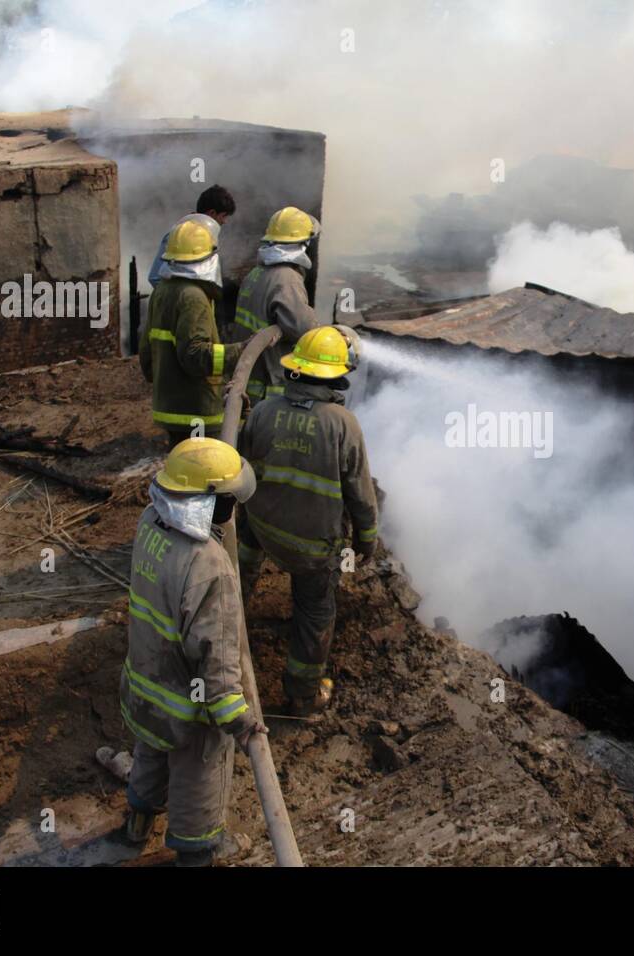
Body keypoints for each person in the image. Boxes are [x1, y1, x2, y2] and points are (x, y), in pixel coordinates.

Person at [120, 437, 266, 867]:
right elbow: (217, 661)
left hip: (145, 686)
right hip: (190, 703)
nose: (232, 507)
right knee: (201, 776)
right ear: (208, 504)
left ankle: (137, 824)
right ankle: (196, 852)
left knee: (150, 750)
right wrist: (239, 722)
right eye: (227, 499)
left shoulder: (150, 521)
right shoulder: (209, 565)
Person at [238, 327, 378, 716]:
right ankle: (302, 694)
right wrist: (366, 540)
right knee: (314, 612)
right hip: (312, 549)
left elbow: (241, 467)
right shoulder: (342, 424)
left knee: (238, 577)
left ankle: (227, 639)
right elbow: (361, 495)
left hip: (262, 527)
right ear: (335, 374)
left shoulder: (264, 409)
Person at [139, 219, 243, 447]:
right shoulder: (193, 296)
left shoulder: (162, 291)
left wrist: (162, 382)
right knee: (205, 474)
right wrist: (241, 352)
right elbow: (196, 357)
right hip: (198, 409)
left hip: (170, 408)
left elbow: (146, 349)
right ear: (208, 258)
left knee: (182, 471)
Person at [233, 207, 322, 401]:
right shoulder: (286, 278)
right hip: (270, 386)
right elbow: (304, 331)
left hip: (248, 381)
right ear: (302, 243)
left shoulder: (256, 273)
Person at [147, 185, 237, 289]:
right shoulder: (180, 236)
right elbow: (155, 277)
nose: (224, 221)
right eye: (224, 216)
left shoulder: (207, 236)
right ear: (212, 213)